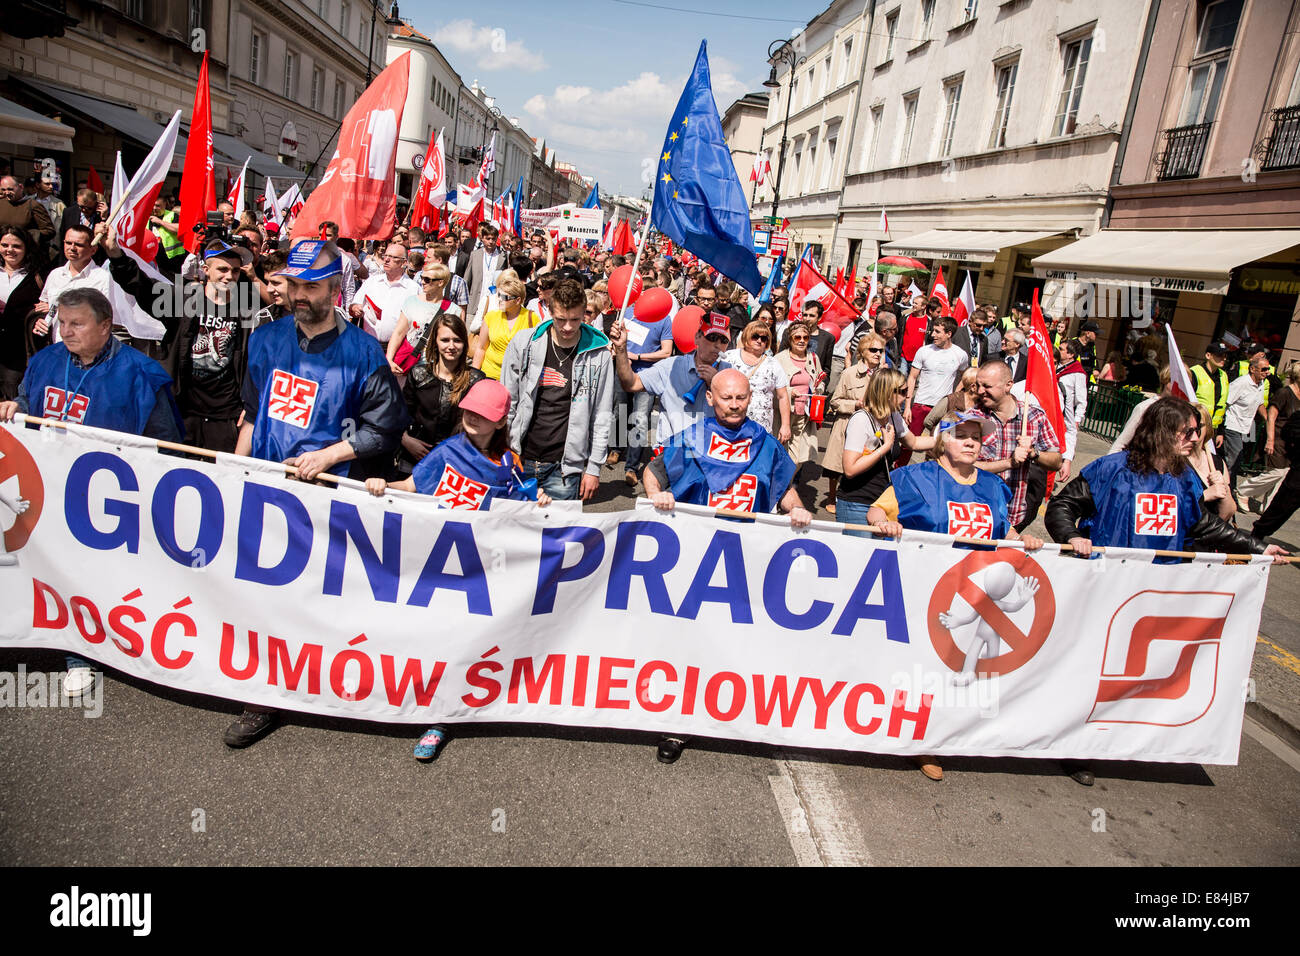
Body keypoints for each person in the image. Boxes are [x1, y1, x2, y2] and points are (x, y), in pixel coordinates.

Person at [224, 239, 408, 748]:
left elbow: (385, 431)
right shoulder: (263, 338)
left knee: (313, 595)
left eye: (311, 286)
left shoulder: (364, 354)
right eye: (292, 284)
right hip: (265, 485)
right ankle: (260, 693)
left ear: (335, 288)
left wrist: (329, 456)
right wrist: (238, 467)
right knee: (260, 591)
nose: (298, 296)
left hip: (325, 495)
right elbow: (252, 409)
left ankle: (317, 679)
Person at [0, 286, 181, 698]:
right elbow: (27, 409)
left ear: (105, 325)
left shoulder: (142, 374)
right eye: (62, 323)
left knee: (106, 577)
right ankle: (74, 654)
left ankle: (117, 644)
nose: (66, 331)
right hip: (48, 492)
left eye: (77, 323)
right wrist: (15, 410)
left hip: (110, 500)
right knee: (54, 572)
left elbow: (165, 447)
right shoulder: (44, 361)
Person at [366, 378, 551, 761]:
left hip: (475, 572)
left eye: (483, 414)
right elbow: (413, 486)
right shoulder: (448, 450)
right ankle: (405, 700)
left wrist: (541, 499)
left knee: (460, 643)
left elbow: (523, 503)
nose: (472, 418)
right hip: (433, 564)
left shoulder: (507, 464)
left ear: (500, 421)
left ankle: (441, 719)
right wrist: (384, 485)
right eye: (469, 410)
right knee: (427, 635)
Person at [644, 366, 811, 764]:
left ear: (750, 397)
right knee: (690, 644)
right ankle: (677, 725)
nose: (734, 405)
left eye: (741, 398)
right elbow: (655, 472)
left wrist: (799, 509)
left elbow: (783, 488)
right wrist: (658, 497)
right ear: (712, 399)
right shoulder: (692, 438)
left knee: (741, 640)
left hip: (748, 562)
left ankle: (737, 715)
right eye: (727, 398)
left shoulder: (765, 444)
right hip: (696, 561)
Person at [869, 411, 1044, 782]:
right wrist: (884, 522)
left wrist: (1021, 539)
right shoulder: (916, 478)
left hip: (974, 598)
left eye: (975, 438)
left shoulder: (994, 487)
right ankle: (916, 738)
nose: (970, 443)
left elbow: (1005, 529)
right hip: (923, 590)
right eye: (961, 435)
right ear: (942, 441)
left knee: (955, 668)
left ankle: (940, 734)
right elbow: (875, 510)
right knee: (918, 665)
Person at [1046, 397, 1288, 565]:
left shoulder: (1184, 477)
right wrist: (1072, 536)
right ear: (1162, 432)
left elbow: (1202, 524)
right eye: (1187, 432)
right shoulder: (1110, 468)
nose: (1195, 439)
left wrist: (1259, 548)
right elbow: (1062, 506)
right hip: (1107, 574)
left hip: (1160, 582)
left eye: (1196, 431)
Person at [500, 278, 612, 501]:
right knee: (512, 530)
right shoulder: (524, 343)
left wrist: (593, 468)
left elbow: (602, 414)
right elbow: (507, 401)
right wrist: (502, 447)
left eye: (575, 319)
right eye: (561, 319)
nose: (568, 327)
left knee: (557, 534)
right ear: (549, 311)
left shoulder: (600, 355)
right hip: (519, 457)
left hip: (564, 469)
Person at [610, 309, 735, 447]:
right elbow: (632, 384)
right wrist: (621, 348)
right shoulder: (672, 366)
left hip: (710, 455)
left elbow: (735, 416)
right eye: (711, 338)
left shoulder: (731, 373)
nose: (717, 345)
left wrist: (715, 384)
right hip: (672, 452)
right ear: (697, 338)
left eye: (723, 340)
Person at [836, 367, 936, 529]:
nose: (907, 396)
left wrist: (947, 440)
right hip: (857, 503)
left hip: (881, 503)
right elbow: (850, 469)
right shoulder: (861, 420)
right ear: (887, 392)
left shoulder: (893, 416)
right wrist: (886, 446)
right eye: (903, 392)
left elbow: (914, 443)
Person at [973, 361, 1062, 532]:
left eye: (987, 386)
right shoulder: (972, 417)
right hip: (979, 513)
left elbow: (1056, 461)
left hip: (1015, 514)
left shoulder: (1034, 416)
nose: (979, 391)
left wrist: (1033, 453)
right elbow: (963, 465)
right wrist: (1009, 463)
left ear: (1008, 385)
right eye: (978, 385)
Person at [398, 312, 484, 473]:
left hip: (455, 464)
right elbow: (400, 416)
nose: (451, 346)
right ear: (435, 342)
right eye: (445, 340)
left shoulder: (476, 380)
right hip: (415, 459)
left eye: (457, 340)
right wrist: (406, 441)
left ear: (464, 343)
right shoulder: (418, 374)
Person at [612, 279, 673, 488]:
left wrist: (637, 357)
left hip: (647, 378)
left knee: (639, 420)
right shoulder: (627, 312)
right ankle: (617, 448)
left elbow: (666, 352)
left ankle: (631, 466)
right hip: (623, 372)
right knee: (620, 412)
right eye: (644, 293)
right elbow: (615, 339)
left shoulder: (664, 320)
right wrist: (619, 353)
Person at [822, 333, 885, 513]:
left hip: (873, 427)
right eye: (873, 350)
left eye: (880, 350)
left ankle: (857, 497)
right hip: (847, 423)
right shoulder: (849, 373)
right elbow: (835, 401)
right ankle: (832, 497)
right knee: (837, 465)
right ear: (863, 352)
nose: (878, 354)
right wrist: (855, 404)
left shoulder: (883, 375)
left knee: (865, 463)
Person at [903, 315, 970, 460]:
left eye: (938, 332)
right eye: (933, 331)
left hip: (943, 408)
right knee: (908, 445)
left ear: (949, 334)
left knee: (939, 446)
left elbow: (966, 377)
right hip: (921, 404)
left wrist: (954, 396)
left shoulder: (960, 354)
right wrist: (908, 406)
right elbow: (912, 378)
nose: (933, 335)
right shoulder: (924, 351)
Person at [1238, 360, 1300, 514]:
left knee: (1283, 474)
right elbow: (1271, 417)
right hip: (1277, 438)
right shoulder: (1284, 393)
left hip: (1290, 443)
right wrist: (1270, 440)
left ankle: (1268, 507)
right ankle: (1244, 490)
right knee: (1277, 472)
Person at [721, 320, 791, 440]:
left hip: (761, 427)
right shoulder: (729, 357)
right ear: (746, 336)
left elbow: (783, 396)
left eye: (764, 338)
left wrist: (785, 425)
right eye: (755, 336)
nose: (759, 341)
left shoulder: (773, 363)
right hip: (731, 424)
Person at [386, 261, 458, 376]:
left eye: (427, 280)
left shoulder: (454, 310)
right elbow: (399, 333)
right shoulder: (412, 301)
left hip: (436, 368)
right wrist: (389, 359)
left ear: (440, 283)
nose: (422, 282)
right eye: (422, 278)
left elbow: (456, 344)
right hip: (409, 362)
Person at [0, 227, 43, 400]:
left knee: (12, 404)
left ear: (26, 248)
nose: (9, 250)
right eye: (4, 245)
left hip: (17, 356)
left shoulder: (38, 277)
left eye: (16, 246)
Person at [775, 320, 824, 474]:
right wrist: (790, 391)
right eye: (797, 337)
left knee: (797, 458)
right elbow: (773, 385)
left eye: (805, 337)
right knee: (779, 452)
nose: (802, 341)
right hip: (783, 413)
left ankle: (785, 488)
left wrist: (818, 390)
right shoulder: (779, 359)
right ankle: (778, 490)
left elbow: (819, 380)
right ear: (790, 339)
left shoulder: (813, 358)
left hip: (805, 414)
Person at [473, 271, 540, 380]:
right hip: (490, 375)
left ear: (517, 300)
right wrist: (474, 375)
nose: (499, 299)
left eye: (505, 297)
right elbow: (481, 348)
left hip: (517, 377)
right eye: (499, 295)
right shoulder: (491, 317)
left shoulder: (532, 318)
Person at [350, 241, 418, 347]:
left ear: (403, 262)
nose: (386, 259)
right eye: (386, 255)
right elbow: (354, 304)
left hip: (397, 349)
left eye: (392, 257)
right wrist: (354, 308)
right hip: (368, 345)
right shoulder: (372, 282)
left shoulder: (413, 289)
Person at [1221, 352, 1270, 483]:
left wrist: (1268, 419)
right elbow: (1226, 401)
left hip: (1245, 427)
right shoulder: (1241, 383)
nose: (1267, 372)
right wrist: (1220, 427)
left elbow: (1260, 403)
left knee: (1234, 460)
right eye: (1264, 369)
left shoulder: (1261, 383)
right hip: (1232, 426)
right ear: (1252, 369)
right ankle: (1228, 490)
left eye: (1268, 369)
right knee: (1235, 460)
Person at [1186, 402, 1236, 523]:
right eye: (1189, 427)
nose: (1194, 431)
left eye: (1200, 426)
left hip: (1212, 534)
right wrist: (1205, 495)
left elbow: (1227, 513)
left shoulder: (1217, 462)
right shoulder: (1175, 461)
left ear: (1207, 427)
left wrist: (1224, 489)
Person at [1055, 339, 1089, 481]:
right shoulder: (1055, 366)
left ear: (1071, 355)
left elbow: (1081, 400)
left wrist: (1076, 419)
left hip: (1065, 414)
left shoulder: (1078, 373)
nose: (1059, 350)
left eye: (1062, 349)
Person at [0, 175, 54, 250]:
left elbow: (49, 231)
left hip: (26, 252)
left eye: (10, 189)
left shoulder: (33, 205)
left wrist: (28, 235)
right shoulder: (1, 204)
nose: (7, 193)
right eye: (3, 190)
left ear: (21, 187)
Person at [466, 223, 506, 321]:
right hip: (475, 302)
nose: (491, 242)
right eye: (488, 238)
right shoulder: (475, 255)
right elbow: (467, 279)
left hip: (494, 303)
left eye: (493, 239)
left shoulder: (503, 257)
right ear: (482, 238)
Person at [1191, 341, 1231, 437]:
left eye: (1225, 355)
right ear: (1208, 355)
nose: (1223, 358)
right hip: (1196, 425)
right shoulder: (1195, 372)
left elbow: (1222, 404)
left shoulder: (1223, 375)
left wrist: (1220, 433)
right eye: (1219, 355)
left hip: (1213, 429)